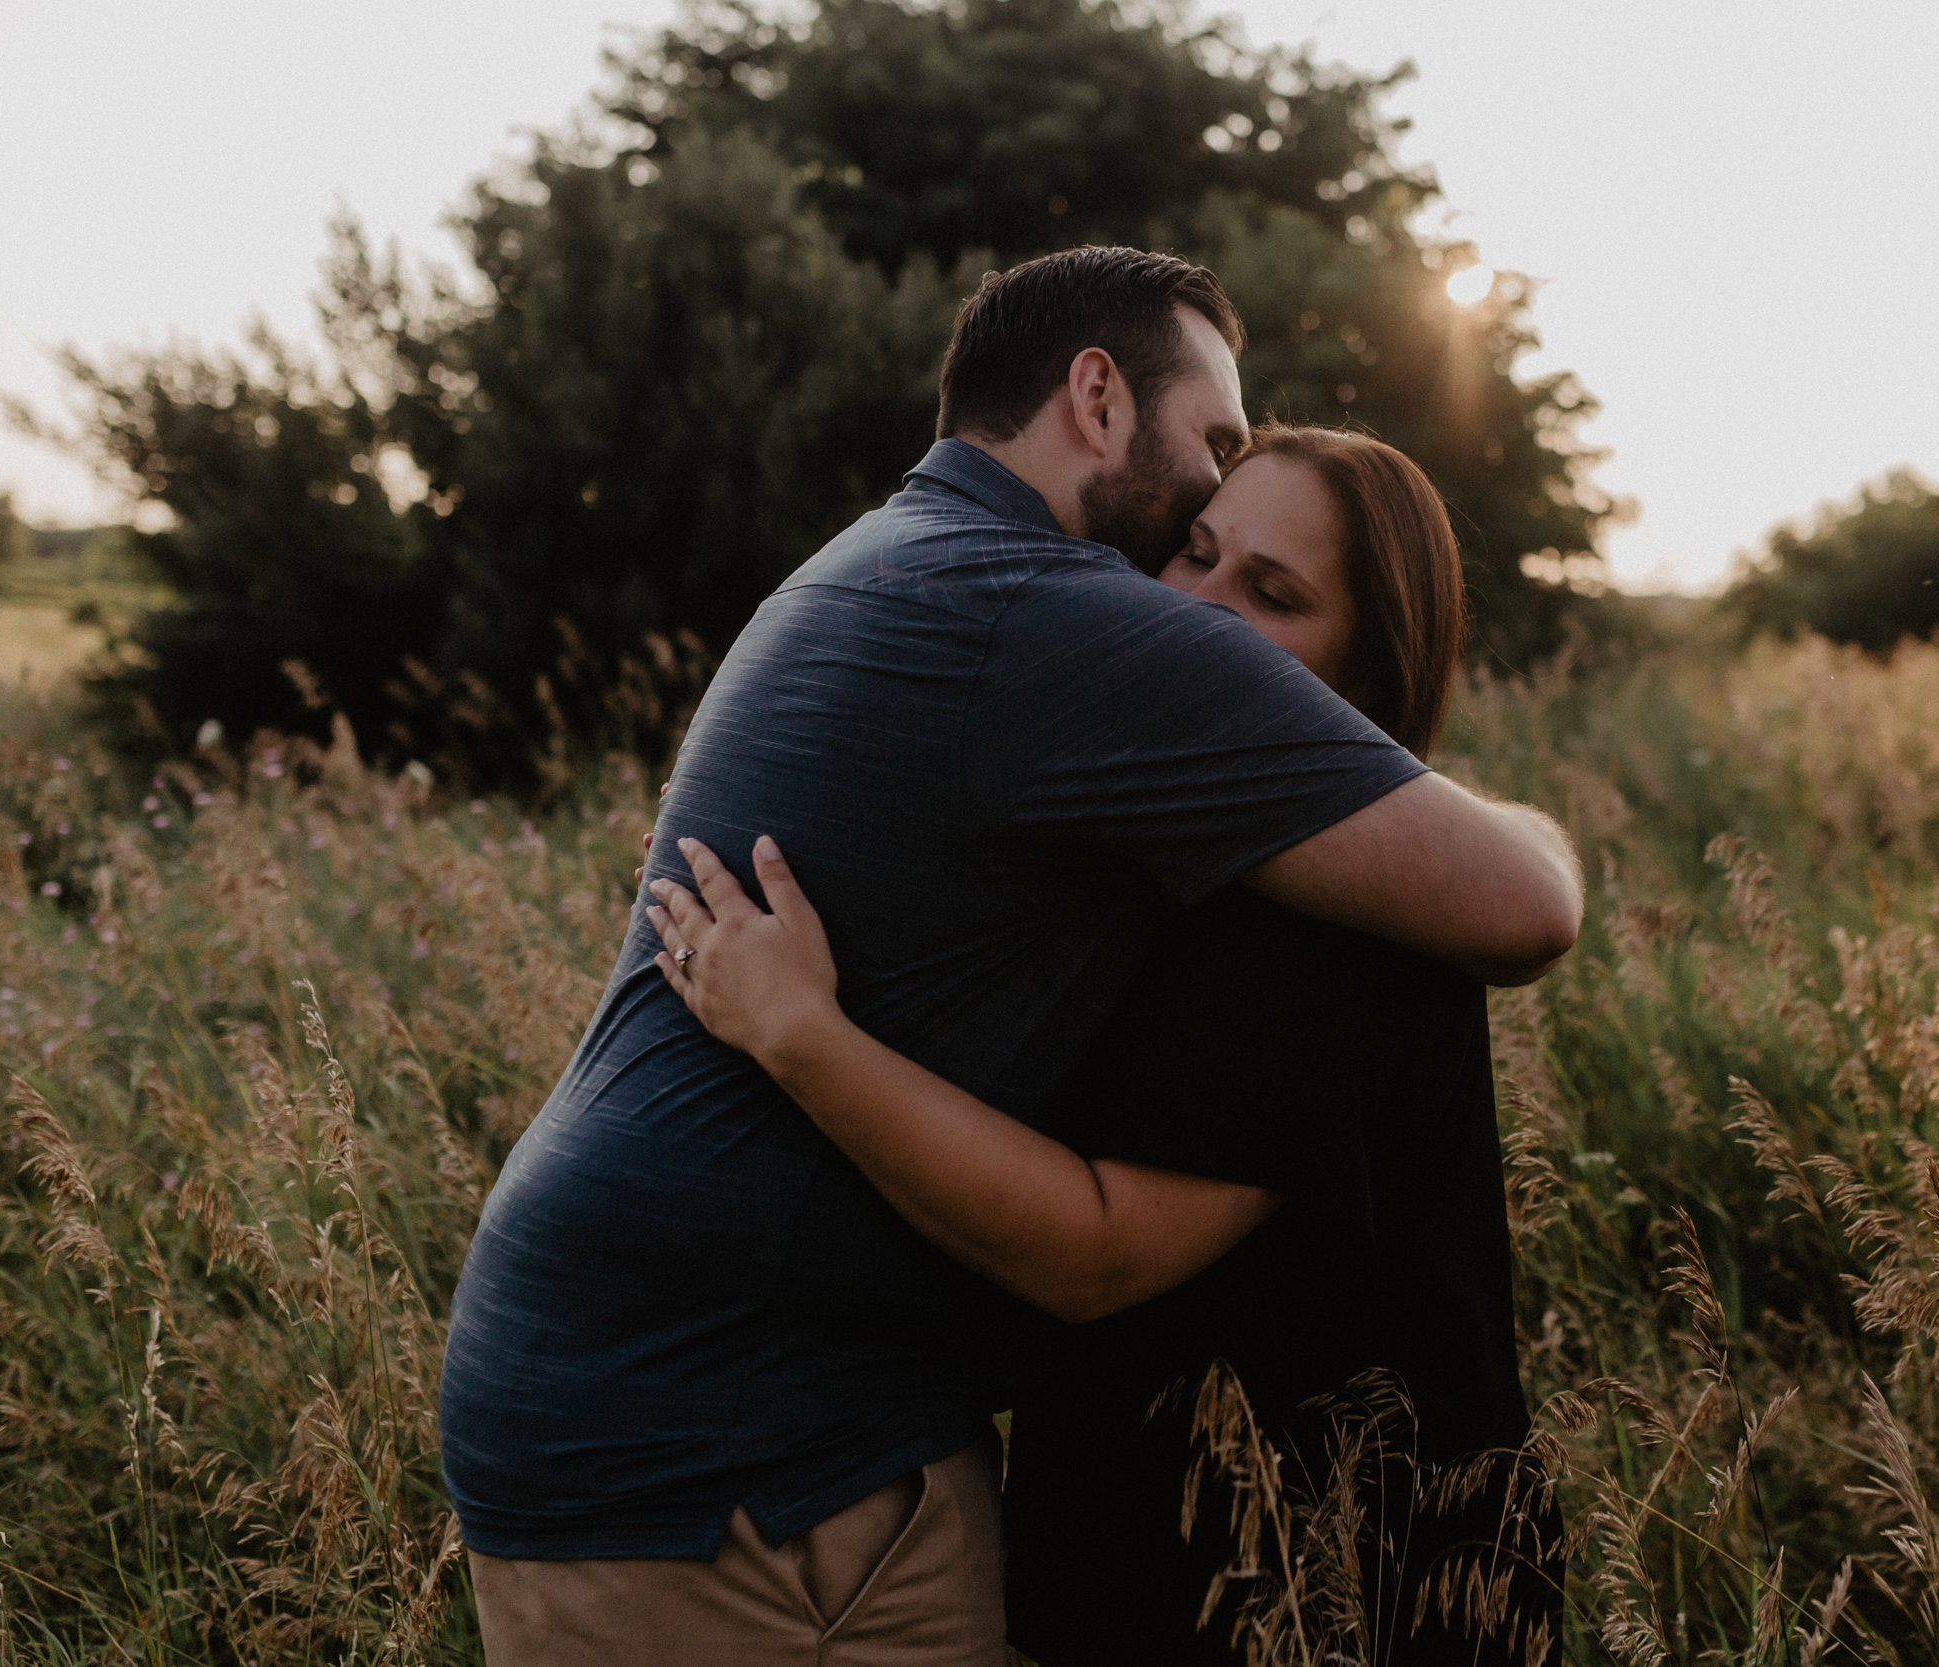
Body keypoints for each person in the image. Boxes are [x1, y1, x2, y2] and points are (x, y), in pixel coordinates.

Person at [440, 247, 1582, 1665]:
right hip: (731, 1448)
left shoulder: (879, 559)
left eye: (1271, 587)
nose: (1201, 563)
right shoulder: (1068, 622)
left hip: (669, 1400)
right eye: (1213, 457)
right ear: (1098, 397)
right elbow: (1528, 902)